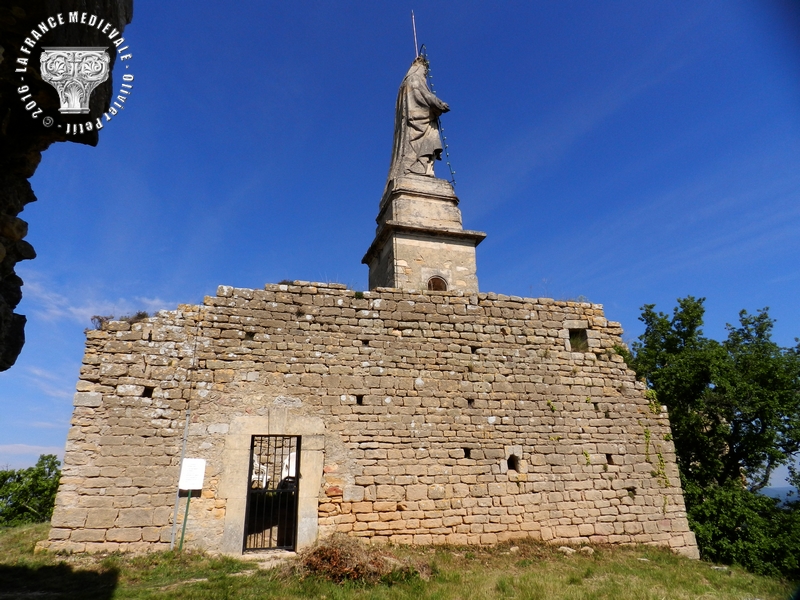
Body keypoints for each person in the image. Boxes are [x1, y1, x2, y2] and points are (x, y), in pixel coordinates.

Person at [385, 56, 450, 188]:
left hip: (413, 122)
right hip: (419, 123)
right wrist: (439, 104)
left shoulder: (404, 85)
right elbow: (422, 96)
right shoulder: (414, 79)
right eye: (425, 72)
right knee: (426, 143)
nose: (425, 75)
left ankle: (423, 169)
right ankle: (418, 169)